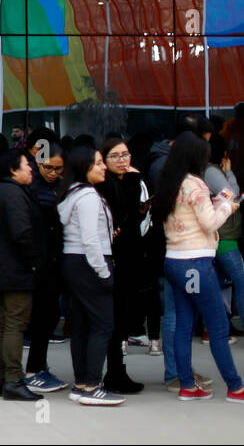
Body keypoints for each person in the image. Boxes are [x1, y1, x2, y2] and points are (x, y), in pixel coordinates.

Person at [151, 131, 244, 402]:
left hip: (175, 262)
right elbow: (210, 223)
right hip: (195, 265)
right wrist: (227, 206)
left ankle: (187, 386)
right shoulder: (196, 185)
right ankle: (236, 387)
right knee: (217, 326)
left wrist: (216, 205)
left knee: (183, 325)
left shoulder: (170, 181)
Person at [58, 146, 126, 406]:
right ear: (84, 167)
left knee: (83, 325)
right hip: (88, 263)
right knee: (103, 324)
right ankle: (93, 386)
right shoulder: (87, 196)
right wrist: (103, 271)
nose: (103, 167)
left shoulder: (72, 193)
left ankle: (82, 384)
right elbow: (89, 239)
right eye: (98, 163)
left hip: (74, 263)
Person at [0, 149, 44, 401]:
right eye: (26, 164)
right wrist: (35, 263)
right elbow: (23, 234)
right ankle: (14, 380)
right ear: (12, 169)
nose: (31, 168)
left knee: (4, 322)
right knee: (15, 325)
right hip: (15, 270)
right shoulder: (14, 194)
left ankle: (0, 377)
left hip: (0, 270)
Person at [95, 137, 146, 393]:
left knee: (123, 317)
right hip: (115, 259)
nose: (123, 160)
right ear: (104, 160)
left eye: (126, 154)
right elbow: (125, 211)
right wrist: (135, 181)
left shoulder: (124, 181)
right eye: (115, 156)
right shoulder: (106, 185)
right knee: (114, 318)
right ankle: (113, 373)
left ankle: (117, 370)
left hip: (129, 258)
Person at [24, 140, 70, 394]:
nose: (53, 173)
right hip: (41, 262)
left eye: (59, 169)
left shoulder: (59, 186)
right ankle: (34, 370)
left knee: (51, 315)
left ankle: (38, 367)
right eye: (49, 168)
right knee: (43, 316)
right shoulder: (32, 187)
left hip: (55, 259)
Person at [206, 134, 244, 334]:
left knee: (221, 284)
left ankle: (216, 328)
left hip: (222, 235)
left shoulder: (210, 170)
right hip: (225, 236)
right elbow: (232, 195)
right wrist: (229, 172)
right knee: (241, 280)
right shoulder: (212, 171)